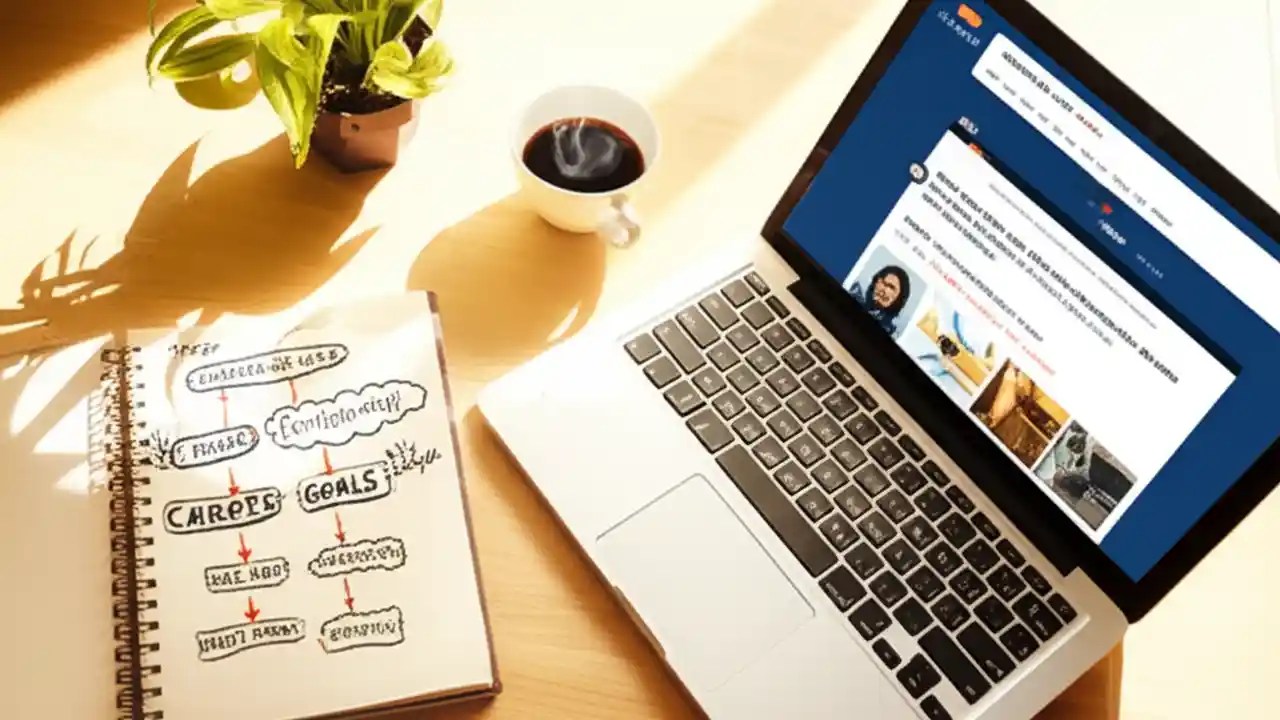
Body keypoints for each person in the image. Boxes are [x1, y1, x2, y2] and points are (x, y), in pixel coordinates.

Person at [850, 264, 911, 336]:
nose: (884, 290)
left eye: (891, 287)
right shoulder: (854, 295)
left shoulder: (892, 333)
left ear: (900, 298)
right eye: (883, 283)